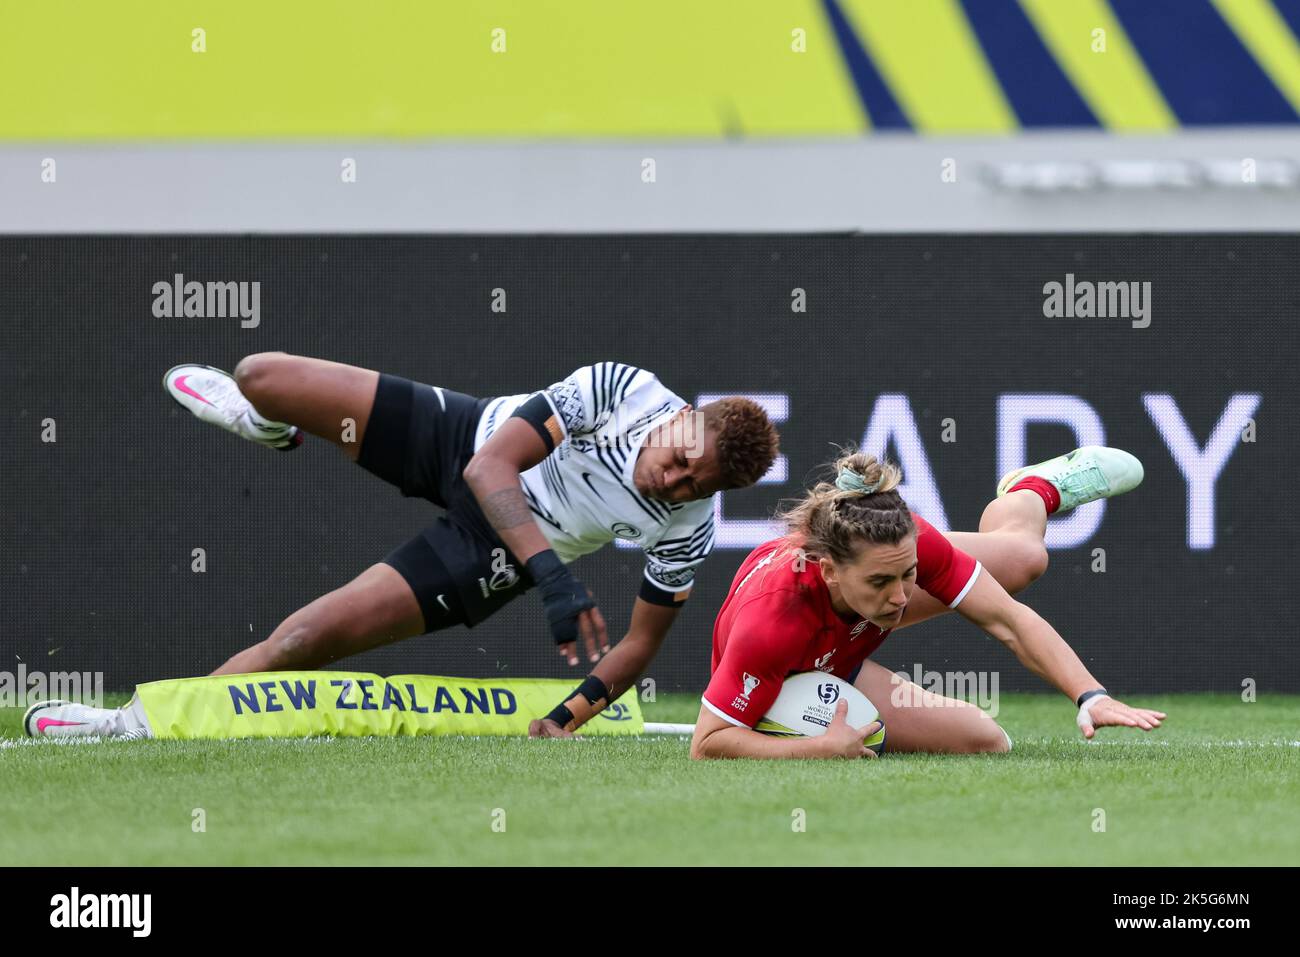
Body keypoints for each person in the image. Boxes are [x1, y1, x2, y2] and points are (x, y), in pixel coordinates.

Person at [23, 354, 779, 738]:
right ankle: (271, 426)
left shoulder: (689, 523)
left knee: (303, 637)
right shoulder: (622, 388)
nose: (672, 484)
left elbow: (641, 646)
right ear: (685, 418)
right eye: (679, 461)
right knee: (258, 376)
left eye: (692, 486)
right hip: (468, 443)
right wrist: (553, 578)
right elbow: (491, 467)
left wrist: (567, 716)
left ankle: (129, 726)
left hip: (492, 552)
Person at [689, 447, 1166, 759]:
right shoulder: (771, 622)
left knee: (1024, 559)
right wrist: (816, 748)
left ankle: (1034, 488)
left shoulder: (907, 543)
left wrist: (1091, 695)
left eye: (909, 575)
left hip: (837, 641)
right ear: (830, 570)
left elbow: (1008, 622)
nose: (900, 598)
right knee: (984, 740)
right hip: (789, 671)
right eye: (881, 580)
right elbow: (707, 743)